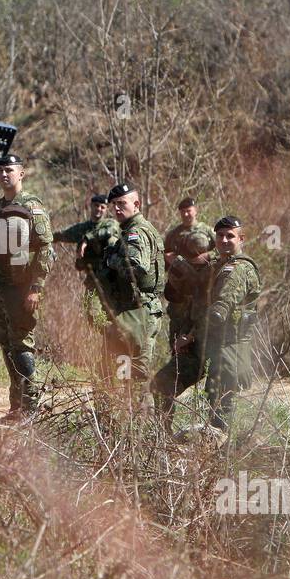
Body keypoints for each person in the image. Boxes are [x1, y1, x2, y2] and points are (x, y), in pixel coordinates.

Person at [0, 153, 54, 423]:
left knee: (21, 345)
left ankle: (31, 406)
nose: (4, 175)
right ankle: (16, 407)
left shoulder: (32, 206)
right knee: (6, 345)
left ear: (22, 173)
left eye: (9, 170)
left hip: (21, 289)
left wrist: (36, 288)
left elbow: (46, 248)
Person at [96, 182, 164, 412]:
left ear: (136, 204)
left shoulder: (136, 232)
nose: (116, 209)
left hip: (138, 313)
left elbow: (137, 267)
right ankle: (125, 431)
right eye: (113, 205)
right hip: (132, 313)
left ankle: (142, 438)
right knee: (121, 372)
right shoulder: (127, 231)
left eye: (122, 204)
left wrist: (110, 260)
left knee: (135, 377)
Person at [151, 229, 214, 436]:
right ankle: (164, 436)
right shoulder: (183, 271)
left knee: (218, 396)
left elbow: (212, 314)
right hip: (188, 343)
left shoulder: (217, 273)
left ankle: (219, 443)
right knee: (161, 385)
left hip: (207, 347)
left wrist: (191, 336)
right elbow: (172, 295)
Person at [203, 216, 261, 434]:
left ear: (241, 239)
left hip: (232, 344)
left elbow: (227, 298)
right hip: (220, 343)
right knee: (215, 396)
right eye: (220, 236)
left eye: (230, 236)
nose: (225, 240)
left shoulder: (239, 268)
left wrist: (217, 312)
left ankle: (225, 451)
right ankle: (217, 446)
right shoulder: (220, 264)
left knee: (223, 401)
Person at [54, 193, 120, 330]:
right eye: (96, 206)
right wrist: (42, 238)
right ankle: (106, 339)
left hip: (110, 279)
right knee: (90, 313)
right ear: (90, 206)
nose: (99, 209)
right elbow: (63, 235)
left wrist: (86, 239)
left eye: (103, 207)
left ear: (106, 210)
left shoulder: (110, 224)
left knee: (113, 315)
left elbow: (108, 231)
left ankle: (114, 344)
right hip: (92, 279)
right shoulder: (84, 228)